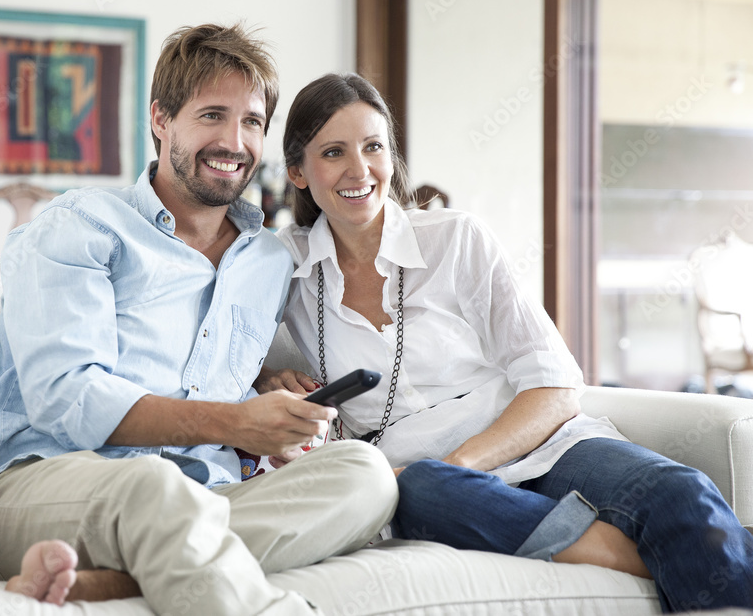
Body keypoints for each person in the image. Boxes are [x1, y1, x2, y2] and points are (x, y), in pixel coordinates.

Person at [258, 72, 753, 613]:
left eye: (373, 146)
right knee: (418, 489)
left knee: (682, 494)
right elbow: (217, 349)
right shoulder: (284, 267)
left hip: (543, 447)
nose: (360, 170)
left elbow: (557, 386)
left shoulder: (455, 238)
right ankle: (658, 554)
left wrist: (464, 463)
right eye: (334, 152)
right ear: (298, 173)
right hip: (427, 487)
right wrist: (265, 378)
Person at [0, 28, 398, 615]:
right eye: (212, 115)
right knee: (154, 485)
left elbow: (201, 360)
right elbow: (66, 400)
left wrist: (265, 386)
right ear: (161, 120)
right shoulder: (82, 227)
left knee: (366, 476)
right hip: (49, 484)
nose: (233, 140)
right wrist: (237, 421)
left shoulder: (271, 261)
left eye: (251, 121)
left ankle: (113, 584)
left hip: (207, 493)